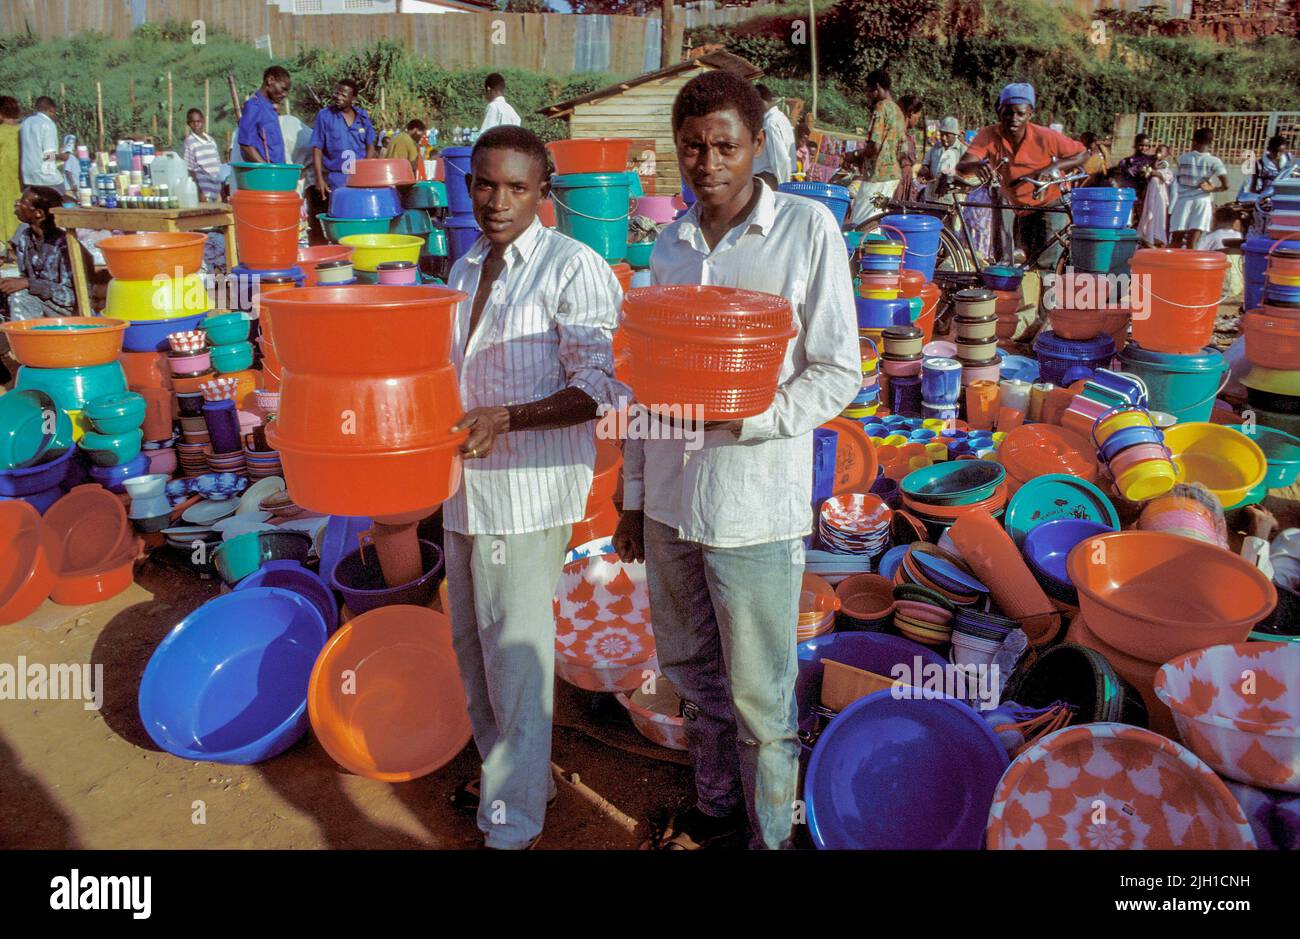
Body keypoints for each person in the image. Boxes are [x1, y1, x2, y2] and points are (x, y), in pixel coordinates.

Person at [614, 70, 860, 851]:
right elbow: (650, 387)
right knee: (695, 677)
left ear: (759, 144)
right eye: (692, 145)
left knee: (760, 697)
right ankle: (717, 806)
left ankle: (771, 835)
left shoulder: (805, 231)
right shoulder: (669, 246)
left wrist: (751, 417)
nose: (708, 161)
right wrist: (633, 494)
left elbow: (838, 369)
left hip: (753, 508)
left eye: (726, 144)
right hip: (671, 506)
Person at [442, 125, 624, 851]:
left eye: (517, 186)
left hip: (528, 491)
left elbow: (598, 385)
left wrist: (509, 416)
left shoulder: (571, 267)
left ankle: (512, 825)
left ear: (544, 193)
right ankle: (514, 779)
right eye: (485, 183)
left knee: (513, 655)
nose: (498, 200)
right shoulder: (461, 269)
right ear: (468, 187)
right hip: (463, 486)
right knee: (472, 647)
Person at [956, 82, 1089, 269]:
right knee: (1028, 261)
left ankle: (1046, 297)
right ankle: (1030, 296)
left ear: (1030, 114)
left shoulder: (1044, 136)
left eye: (1021, 113)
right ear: (999, 112)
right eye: (1008, 113)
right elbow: (962, 165)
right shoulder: (989, 134)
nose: (1014, 119)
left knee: (1046, 265)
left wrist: (1053, 167)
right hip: (1021, 209)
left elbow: (1082, 154)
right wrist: (975, 165)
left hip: (1050, 205)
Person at [1, 186, 78, 323]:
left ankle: (27, 342)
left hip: (66, 311)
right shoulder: (25, 238)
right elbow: (24, 278)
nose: (17, 203)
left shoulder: (63, 245)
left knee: (19, 296)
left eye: (23, 202)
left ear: (38, 213)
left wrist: (29, 284)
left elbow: (70, 297)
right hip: (39, 301)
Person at [848, 69, 905, 225]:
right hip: (892, 176)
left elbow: (875, 147)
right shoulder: (898, 111)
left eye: (868, 90)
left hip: (877, 176)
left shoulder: (881, 108)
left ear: (877, 87)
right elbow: (903, 149)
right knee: (876, 219)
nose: (867, 95)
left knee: (861, 223)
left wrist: (855, 155)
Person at [310, 78, 376, 200]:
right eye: (337, 93)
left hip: (360, 176)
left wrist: (366, 171)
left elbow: (370, 145)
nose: (338, 97)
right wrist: (319, 179)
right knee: (341, 212)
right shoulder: (325, 116)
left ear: (353, 99)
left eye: (343, 95)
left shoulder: (362, 117)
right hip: (336, 178)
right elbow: (316, 148)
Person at [1168, 127, 1229, 249]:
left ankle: (1172, 266)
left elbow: (1177, 179)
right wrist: (1213, 189)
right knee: (1193, 241)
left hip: (1183, 201)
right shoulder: (1214, 161)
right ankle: (1190, 267)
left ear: (1194, 141)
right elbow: (1226, 185)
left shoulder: (1183, 158)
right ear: (1211, 142)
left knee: (1176, 239)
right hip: (1202, 200)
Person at [237, 65, 292, 164]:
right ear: (270, 80)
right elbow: (246, 145)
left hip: (277, 172)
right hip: (264, 175)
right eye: (283, 89)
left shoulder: (271, 109)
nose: (285, 94)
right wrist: (266, 169)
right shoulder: (253, 106)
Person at [1246, 135, 1293, 237]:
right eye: (1275, 151)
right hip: (1265, 202)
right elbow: (1253, 185)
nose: (1278, 154)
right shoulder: (1260, 164)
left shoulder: (1288, 162)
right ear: (1269, 150)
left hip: (1283, 200)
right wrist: (1255, 199)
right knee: (1263, 228)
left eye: (1281, 152)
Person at [19, 96, 67, 193]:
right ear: (51, 110)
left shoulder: (25, 122)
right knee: (62, 201)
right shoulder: (48, 124)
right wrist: (62, 156)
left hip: (28, 175)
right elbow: (48, 155)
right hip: (45, 176)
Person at [752, 83, 795, 189]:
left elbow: (780, 159)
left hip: (769, 178)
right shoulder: (781, 118)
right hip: (774, 177)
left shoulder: (770, 124)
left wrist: (783, 186)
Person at [918, 116, 969, 201]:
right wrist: (926, 174)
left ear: (954, 135)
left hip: (952, 201)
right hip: (931, 198)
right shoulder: (936, 147)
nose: (943, 138)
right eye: (942, 134)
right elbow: (925, 164)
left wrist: (950, 181)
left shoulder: (962, 151)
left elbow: (968, 178)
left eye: (947, 135)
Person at [1137, 144, 1173, 248]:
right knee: (1148, 212)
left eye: (1161, 151)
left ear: (1166, 154)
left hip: (1159, 193)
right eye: (1158, 150)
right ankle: (1147, 236)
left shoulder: (1164, 164)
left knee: (1157, 214)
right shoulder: (1153, 164)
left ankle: (1157, 238)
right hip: (1151, 192)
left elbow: (1162, 175)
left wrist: (1153, 171)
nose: (1159, 153)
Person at [182, 109, 223, 202]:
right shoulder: (189, 141)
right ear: (188, 123)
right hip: (203, 187)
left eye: (198, 121)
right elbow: (190, 168)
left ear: (203, 121)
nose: (196, 124)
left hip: (216, 185)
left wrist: (220, 190)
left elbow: (217, 164)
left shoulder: (211, 140)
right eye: (192, 122)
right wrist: (199, 191)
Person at [0, 96, 22, 250]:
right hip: (22, 178)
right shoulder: (24, 130)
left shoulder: (1, 132)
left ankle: (5, 244)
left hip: (4, 179)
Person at [893, 94, 924, 202]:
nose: (918, 120)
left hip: (904, 183)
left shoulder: (906, 137)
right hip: (896, 185)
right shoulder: (898, 136)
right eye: (917, 116)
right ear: (911, 113)